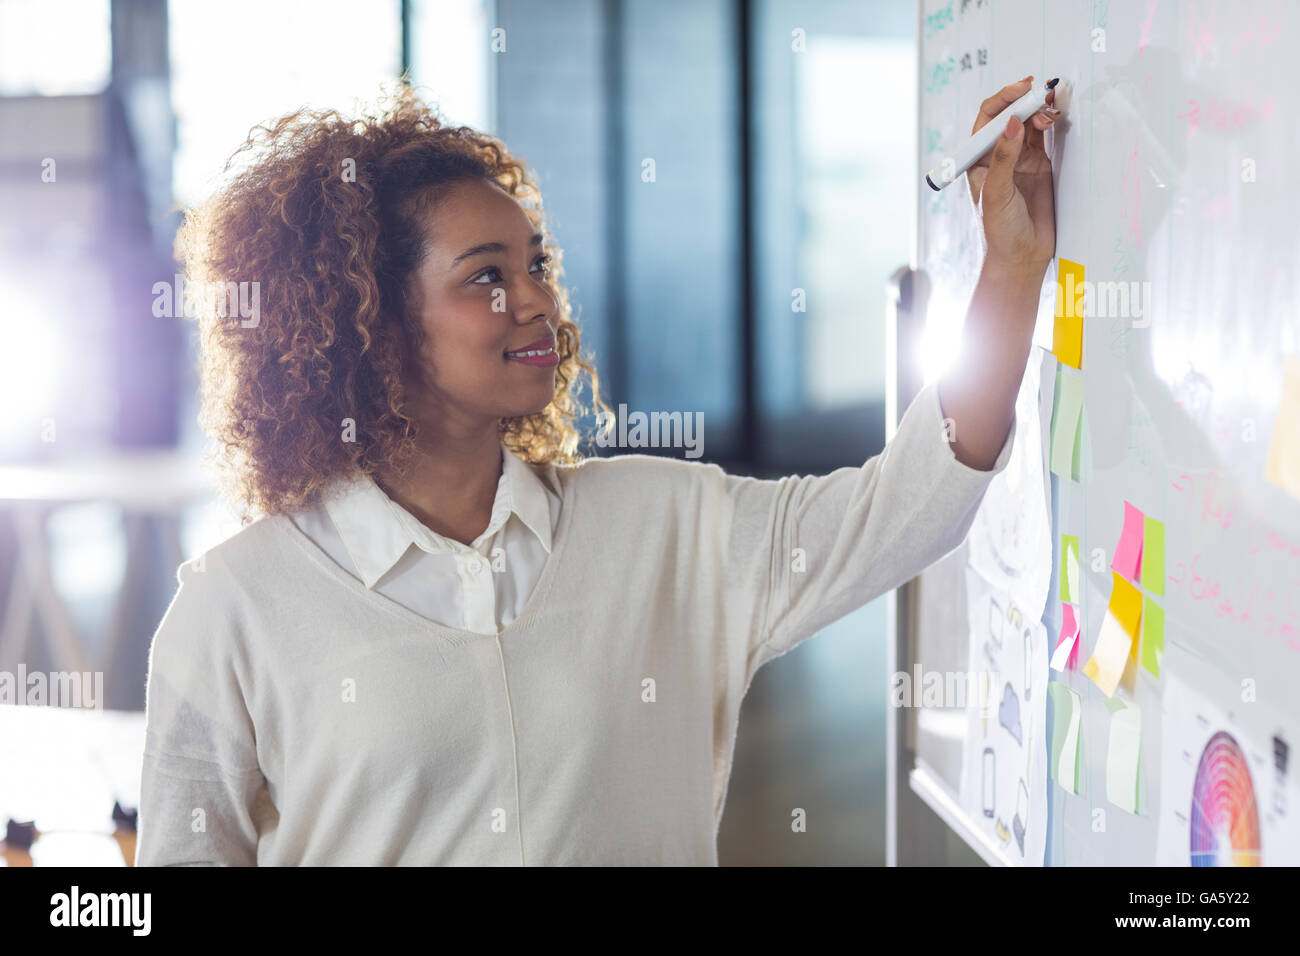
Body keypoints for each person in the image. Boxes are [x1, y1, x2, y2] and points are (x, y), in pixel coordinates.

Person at [136, 77, 1058, 865]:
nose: (537, 298)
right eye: (486, 276)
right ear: (367, 322)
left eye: (535, 263)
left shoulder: (663, 524)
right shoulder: (233, 612)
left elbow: (911, 503)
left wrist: (1014, 269)